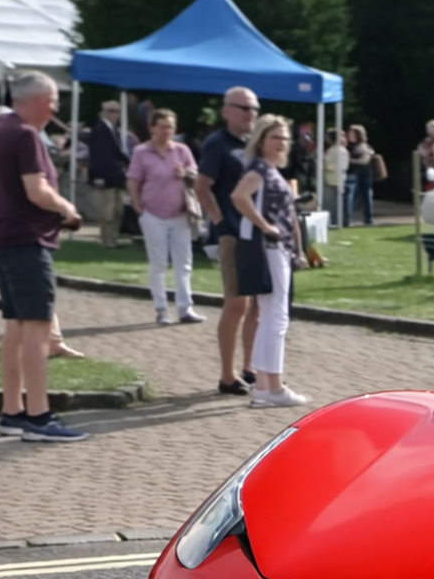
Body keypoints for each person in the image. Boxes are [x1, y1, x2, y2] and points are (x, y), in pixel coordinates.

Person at [0, 71, 88, 442]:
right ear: (36, 100)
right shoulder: (26, 133)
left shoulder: (0, 125)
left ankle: (13, 411)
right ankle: (39, 417)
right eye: (53, 100)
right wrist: (66, 209)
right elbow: (36, 189)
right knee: (37, 327)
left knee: (15, 325)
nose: (56, 106)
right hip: (25, 240)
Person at [230, 115, 308, 408]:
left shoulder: (273, 171)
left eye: (285, 138)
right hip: (269, 248)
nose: (282, 143)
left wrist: (297, 249)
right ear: (262, 140)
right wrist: (265, 226)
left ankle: (265, 385)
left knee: (269, 317)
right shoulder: (261, 169)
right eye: (276, 137)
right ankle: (271, 386)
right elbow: (239, 196)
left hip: (279, 249)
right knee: (276, 317)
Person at [197, 86, 261, 394]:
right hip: (233, 233)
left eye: (254, 109)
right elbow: (202, 186)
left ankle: (250, 367)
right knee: (236, 303)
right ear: (227, 111)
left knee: (257, 306)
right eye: (244, 108)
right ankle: (226, 374)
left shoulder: (254, 145)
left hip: (257, 233)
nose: (250, 114)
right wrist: (220, 221)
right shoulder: (218, 143)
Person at [126, 107, 202, 325]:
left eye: (170, 127)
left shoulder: (182, 150)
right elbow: (133, 179)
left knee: (184, 263)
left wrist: (185, 174)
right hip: (153, 214)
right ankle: (161, 309)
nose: (167, 131)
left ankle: (185, 308)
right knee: (159, 264)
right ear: (152, 128)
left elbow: (196, 176)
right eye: (162, 127)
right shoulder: (142, 152)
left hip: (180, 214)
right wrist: (137, 204)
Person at [86, 101, 130, 247]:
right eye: (111, 111)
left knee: (118, 210)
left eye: (116, 111)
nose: (114, 114)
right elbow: (96, 155)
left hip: (117, 175)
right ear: (103, 112)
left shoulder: (113, 129)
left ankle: (114, 237)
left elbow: (117, 152)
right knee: (107, 212)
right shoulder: (100, 130)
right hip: (104, 176)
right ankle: (106, 240)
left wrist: (129, 163)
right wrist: (97, 176)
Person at [343, 124, 378, 227]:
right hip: (356, 174)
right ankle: (350, 218)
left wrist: (350, 160)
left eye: (352, 134)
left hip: (362, 174)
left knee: (363, 197)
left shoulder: (363, 146)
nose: (350, 136)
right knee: (353, 197)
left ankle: (368, 218)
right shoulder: (350, 146)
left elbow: (365, 160)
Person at [324, 126, 347, 227]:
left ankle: (333, 221)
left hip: (332, 180)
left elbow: (332, 165)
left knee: (331, 203)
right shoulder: (339, 150)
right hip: (336, 179)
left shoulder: (335, 150)